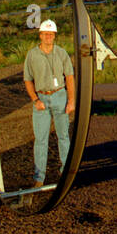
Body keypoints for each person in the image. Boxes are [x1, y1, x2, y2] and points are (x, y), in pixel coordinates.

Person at [23, 18, 75, 188]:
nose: (48, 37)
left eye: (51, 34)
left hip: (60, 96)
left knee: (63, 137)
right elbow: (28, 80)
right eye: (45, 34)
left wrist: (71, 101)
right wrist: (35, 100)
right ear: (40, 35)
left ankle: (65, 172)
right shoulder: (32, 55)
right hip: (41, 99)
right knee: (41, 140)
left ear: (54, 35)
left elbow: (69, 77)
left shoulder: (61, 53)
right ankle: (39, 177)